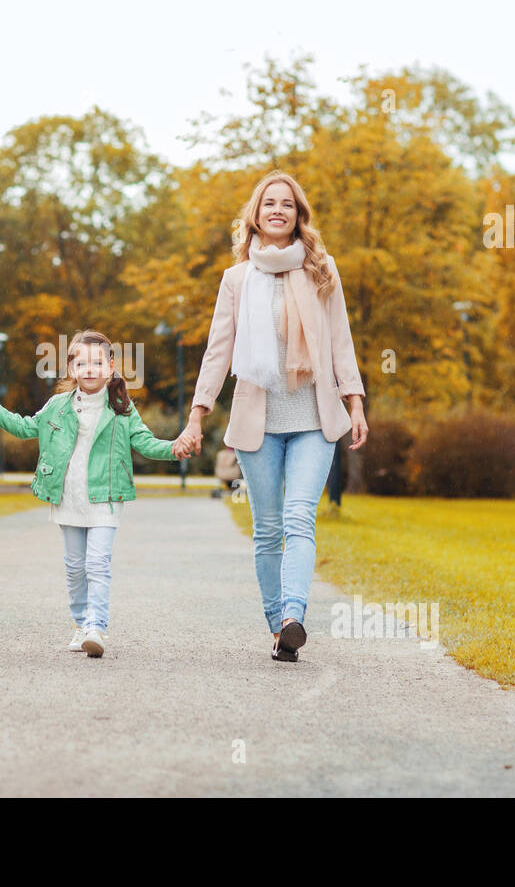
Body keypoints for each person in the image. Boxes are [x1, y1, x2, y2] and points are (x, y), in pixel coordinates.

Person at [177, 171, 368, 664]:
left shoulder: (322, 270)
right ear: (256, 215)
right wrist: (197, 415)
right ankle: (278, 628)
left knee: (300, 517)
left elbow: (341, 340)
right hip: (257, 422)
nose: (278, 210)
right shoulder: (237, 280)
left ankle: (292, 617)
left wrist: (355, 400)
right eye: (269, 203)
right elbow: (218, 352)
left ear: (298, 215)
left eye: (288, 204)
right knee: (267, 529)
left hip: (312, 419)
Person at [0, 330, 191, 658]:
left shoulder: (122, 409)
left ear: (111, 366)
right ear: (71, 368)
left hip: (107, 496)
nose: (89, 369)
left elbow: (145, 442)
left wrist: (174, 448)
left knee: (97, 563)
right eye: (81, 362)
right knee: (75, 566)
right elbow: (25, 427)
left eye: (97, 362)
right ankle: (80, 623)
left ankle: (96, 626)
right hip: (68, 497)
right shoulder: (57, 407)